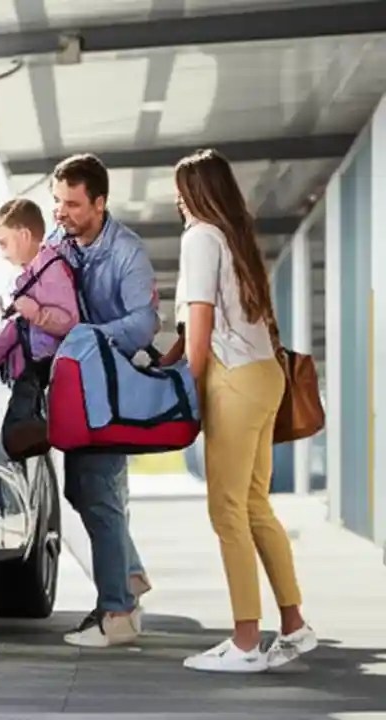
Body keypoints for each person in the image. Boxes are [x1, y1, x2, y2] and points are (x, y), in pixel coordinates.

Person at [161, 149, 316, 673]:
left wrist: (187, 389)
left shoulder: (200, 237)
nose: (176, 200)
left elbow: (200, 321)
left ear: (197, 193)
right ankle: (293, 626)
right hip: (264, 375)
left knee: (225, 509)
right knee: (254, 506)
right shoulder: (235, 238)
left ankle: (246, 641)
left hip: (234, 382)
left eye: (181, 190)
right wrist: (171, 359)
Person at [45, 153, 160, 648]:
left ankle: (117, 612)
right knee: (82, 491)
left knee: (101, 494)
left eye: (71, 203)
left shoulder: (128, 253)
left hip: (112, 386)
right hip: (75, 388)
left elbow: (144, 323)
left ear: (99, 202)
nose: (61, 212)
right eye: (56, 202)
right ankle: (129, 576)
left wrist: (86, 337)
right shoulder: (59, 244)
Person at [0, 198, 79, 380]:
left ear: (24, 235)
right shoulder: (30, 273)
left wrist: (37, 314)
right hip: (30, 367)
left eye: (3, 243)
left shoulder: (52, 270)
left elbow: (70, 320)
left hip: (44, 369)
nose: (3, 254)